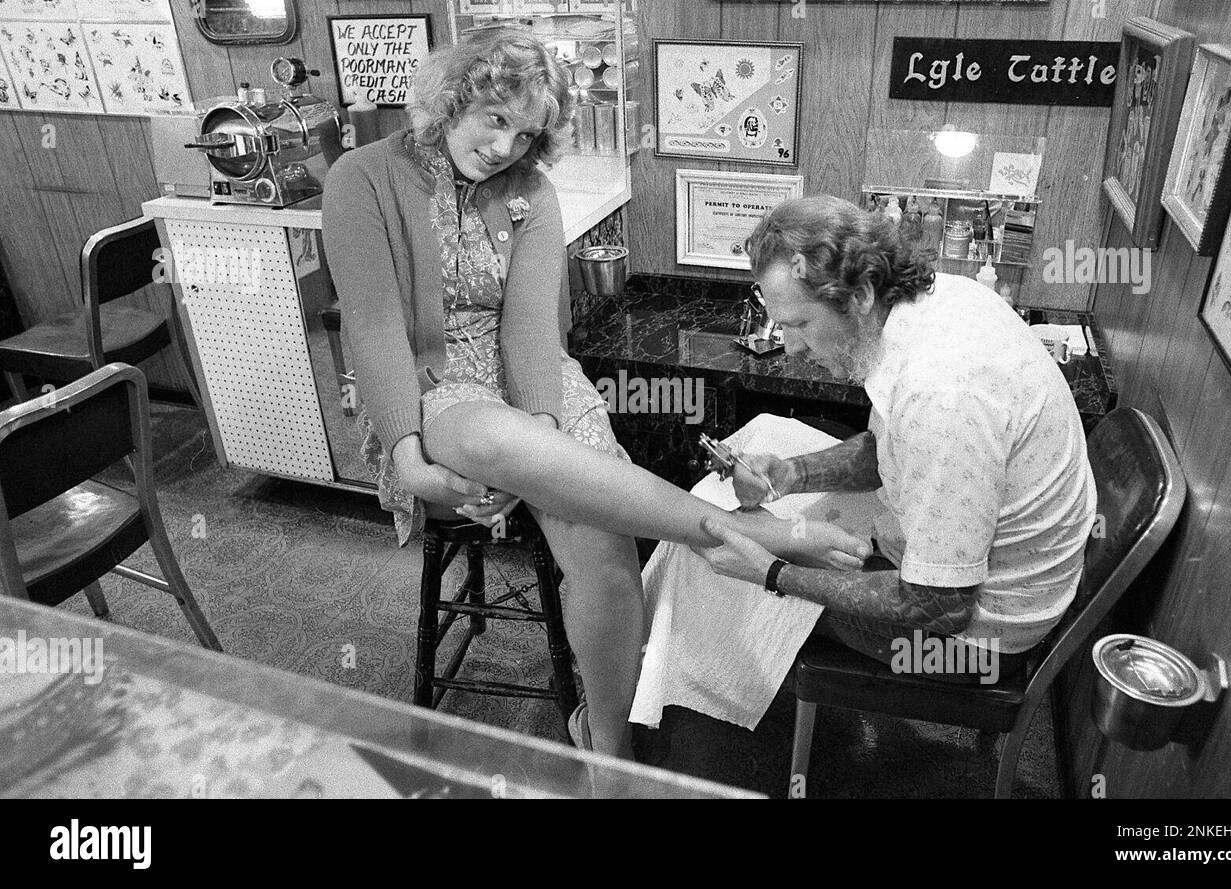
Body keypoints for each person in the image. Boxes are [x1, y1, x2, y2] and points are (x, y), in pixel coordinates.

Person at [322, 32, 868, 758]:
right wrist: (410, 458)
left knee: (607, 556)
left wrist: (542, 437)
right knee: (490, 440)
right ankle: (734, 530)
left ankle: (605, 748)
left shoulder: (531, 192)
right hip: (427, 391)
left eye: (525, 134)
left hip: (533, 383)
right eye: (493, 118)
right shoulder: (360, 179)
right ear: (452, 97)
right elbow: (375, 327)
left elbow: (526, 331)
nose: (504, 146)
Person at [630, 195, 1097, 730]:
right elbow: (890, 452)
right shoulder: (939, 301)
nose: (792, 346)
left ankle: (676, 729)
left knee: (710, 564)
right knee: (767, 453)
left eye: (800, 323)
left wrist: (775, 574)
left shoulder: (943, 392)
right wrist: (792, 473)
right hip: (987, 575)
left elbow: (939, 608)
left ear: (861, 294)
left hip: (979, 642)